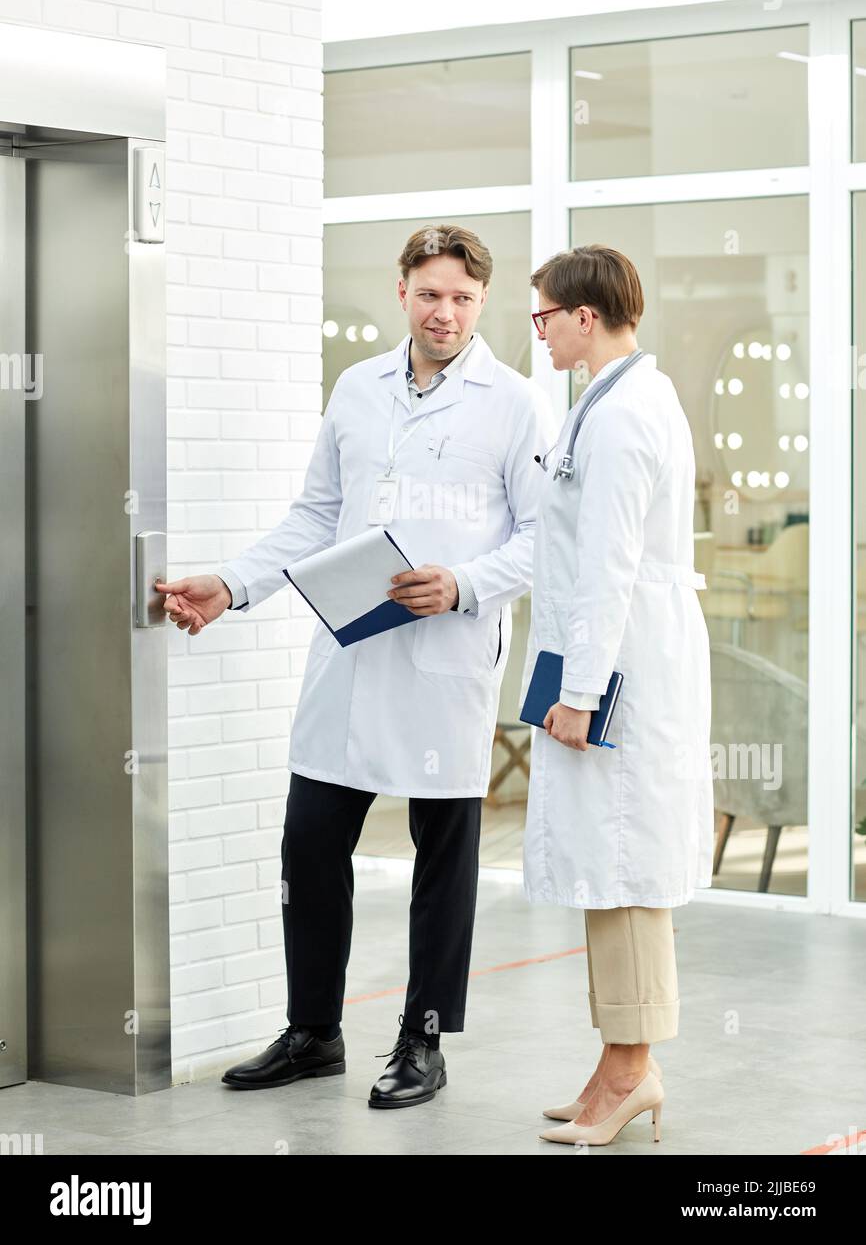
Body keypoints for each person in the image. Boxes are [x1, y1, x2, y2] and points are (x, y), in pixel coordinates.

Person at [156, 223, 557, 1109]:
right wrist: (231, 583)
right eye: (428, 294)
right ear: (402, 294)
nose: (444, 312)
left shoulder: (516, 403)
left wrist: (461, 586)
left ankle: (423, 1039)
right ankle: (313, 1031)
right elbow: (315, 516)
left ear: (481, 301)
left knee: (441, 857)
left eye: (460, 297)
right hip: (350, 655)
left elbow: (541, 538)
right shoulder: (357, 388)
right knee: (310, 842)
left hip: (446, 656)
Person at [521, 244, 714, 1147]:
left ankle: (632, 1073)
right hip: (616, 651)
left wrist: (580, 693)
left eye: (544, 316)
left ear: (584, 317)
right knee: (611, 867)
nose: (541, 330)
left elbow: (608, 566)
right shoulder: (609, 401)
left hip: (621, 665)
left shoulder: (629, 411)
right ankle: (618, 1064)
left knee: (630, 870)